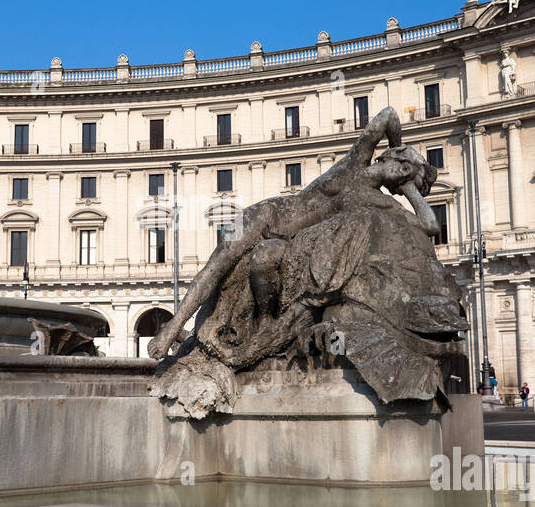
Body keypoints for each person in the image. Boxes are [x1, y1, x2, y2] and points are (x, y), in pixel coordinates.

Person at [147, 105, 435, 360]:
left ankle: (262, 328)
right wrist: (399, 148)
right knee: (217, 266)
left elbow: (430, 226)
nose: (400, 189)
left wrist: (410, 187)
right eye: (406, 181)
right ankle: (173, 327)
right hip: (268, 215)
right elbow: (388, 116)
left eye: (406, 185)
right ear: (402, 166)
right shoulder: (356, 162)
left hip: (285, 243)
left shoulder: (375, 199)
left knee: (262, 260)